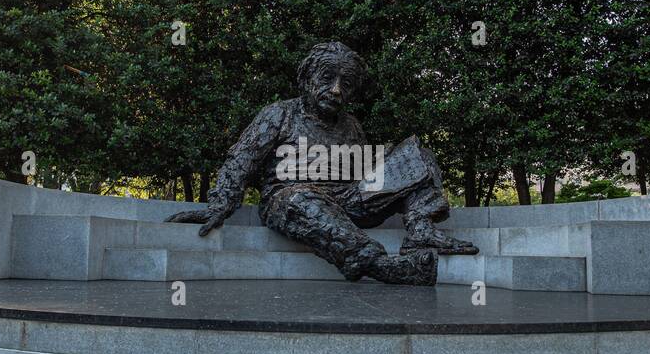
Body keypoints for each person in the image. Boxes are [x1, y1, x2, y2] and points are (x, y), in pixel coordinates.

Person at [167, 40, 477, 285]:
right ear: (306, 79)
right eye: (327, 78)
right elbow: (241, 160)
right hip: (289, 197)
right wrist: (220, 204)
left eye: (347, 83)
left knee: (416, 156)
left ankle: (420, 228)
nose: (337, 89)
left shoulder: (352, 125)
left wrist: (393, 175)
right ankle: (380, 265)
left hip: (349, 198)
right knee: (298, 198)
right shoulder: (279, 114)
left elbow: (365, 174)